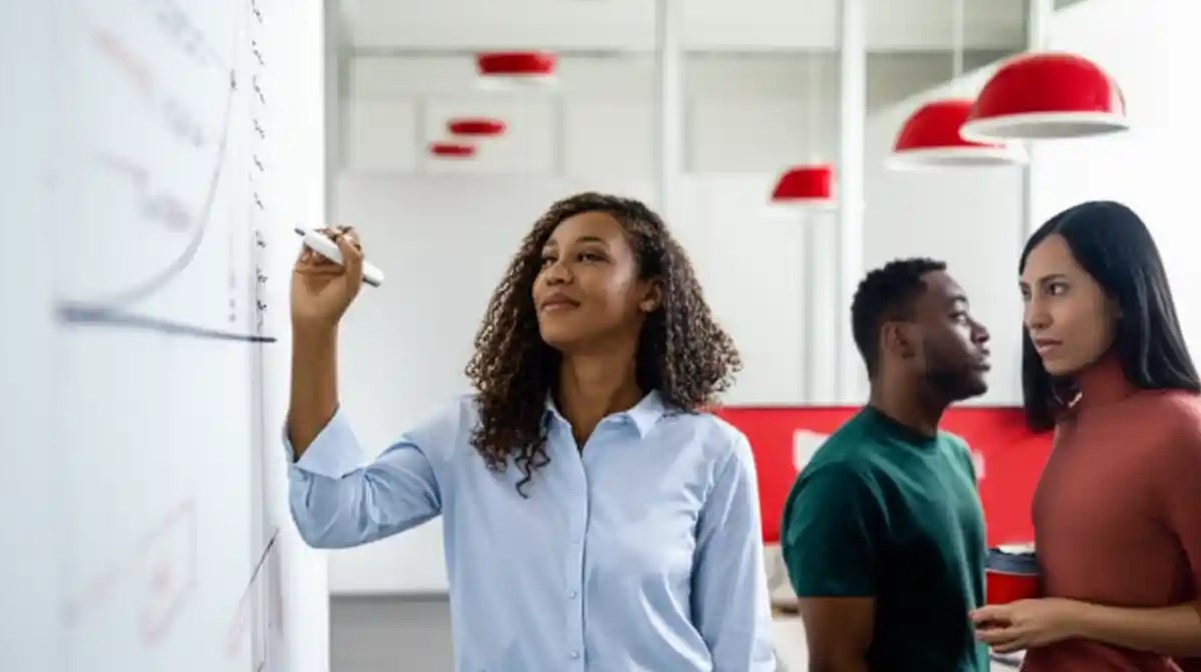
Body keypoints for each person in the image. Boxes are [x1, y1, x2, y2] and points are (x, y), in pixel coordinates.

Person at [284, 192, 778, 671]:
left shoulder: (712, 453)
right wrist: (315, 329)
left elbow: (739, 647)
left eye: (589, 256)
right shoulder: (468, 434)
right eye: (546, 261)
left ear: (650, 292)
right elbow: (331, 516)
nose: (556, 273)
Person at [970, 201, 1201, 671]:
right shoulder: (1073, 420)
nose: (1034, 317)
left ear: (1119, 296)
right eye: (1026, 293)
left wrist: (1068, 618)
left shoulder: (1180, 429)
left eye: (1055, 290)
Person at [781, 257, 993, 672]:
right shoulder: (844, 479)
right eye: (959, 315)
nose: (982, 333)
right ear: (899, 340)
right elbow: (836, 665)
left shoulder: (956, 456)